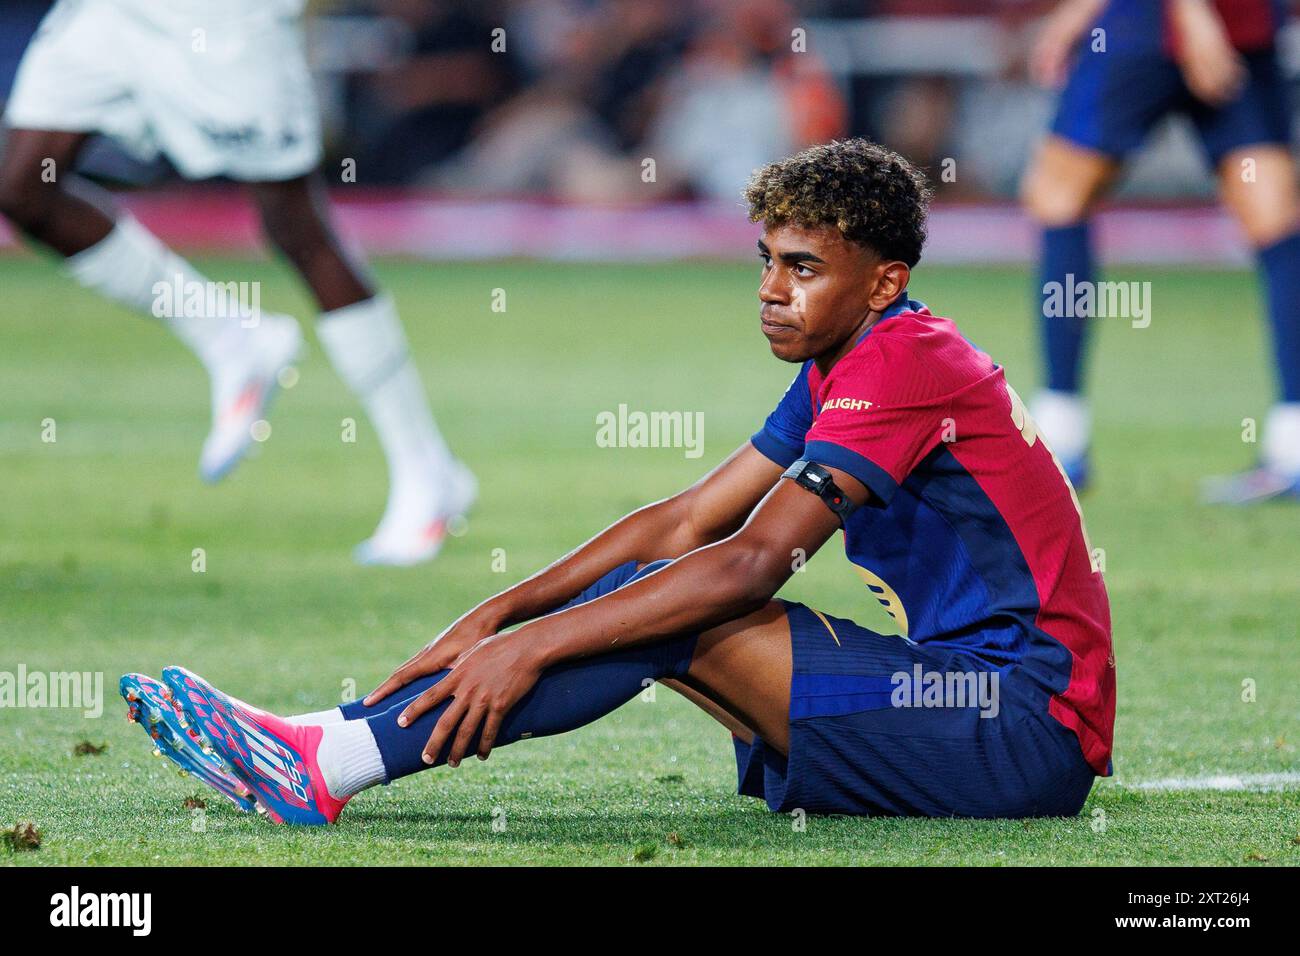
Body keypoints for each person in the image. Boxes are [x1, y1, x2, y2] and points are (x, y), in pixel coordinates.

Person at [124, 139, 1114, 824]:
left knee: (674, 611)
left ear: (884, 281)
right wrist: (497, 611)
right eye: (767, 261)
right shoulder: (850, 356)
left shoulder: (905, 362)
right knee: (651, 598)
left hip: (1018, 724)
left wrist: (534, 644)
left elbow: (750, 562)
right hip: (967, 695)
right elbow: (687, 518)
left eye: (803, 266)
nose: (772, 289)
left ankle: (324, 762)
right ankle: (326, 740)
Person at [0, 0, 474, 564]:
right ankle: (230, 335)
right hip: (112, 14)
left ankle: (427, 470)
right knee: (24, 188)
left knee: (294, 224)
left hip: (223, 23)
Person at [1022, 0, 1300, 503]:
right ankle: (1293, 448)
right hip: (1242, 24)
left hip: (1152, 25)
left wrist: (1191, 17)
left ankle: (1060, 439)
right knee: (1276, 216)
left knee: (1059, 196)